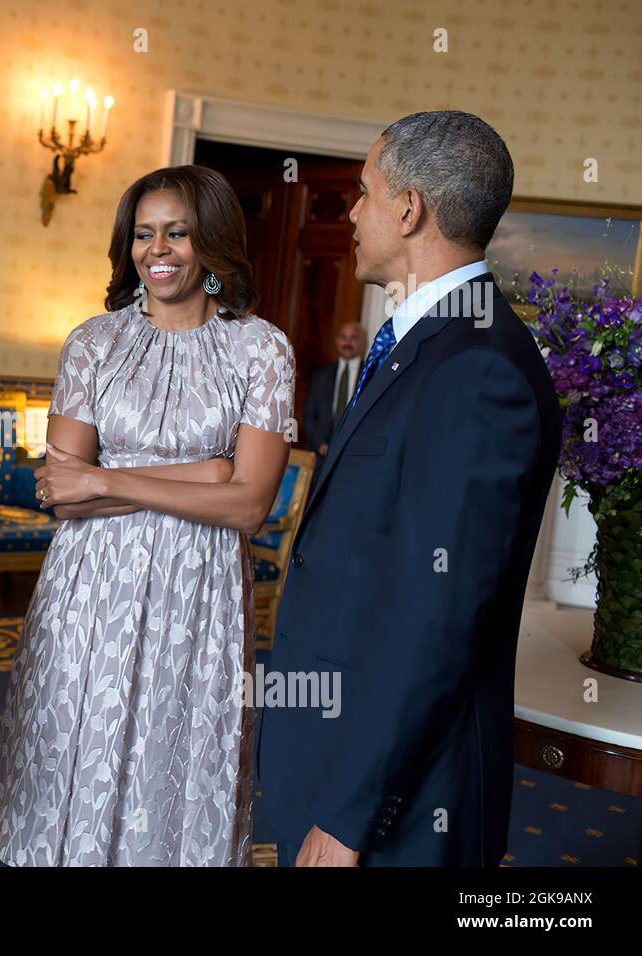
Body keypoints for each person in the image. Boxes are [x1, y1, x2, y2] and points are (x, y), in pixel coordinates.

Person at [257, 111, 562, 867]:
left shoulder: (476, 367)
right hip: (343, 756)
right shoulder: (422, 344)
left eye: (363, 192)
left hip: (402, 804)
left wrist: (354, 814)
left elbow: (437, 616)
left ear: (410, 208)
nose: (353, 213)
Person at [0, 166, 295, 866]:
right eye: (144, 233)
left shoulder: (261, 349)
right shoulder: (94, 343)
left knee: (173, 752)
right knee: (75, 747)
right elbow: (60, 491)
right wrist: (203, 473)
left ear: (211, 240)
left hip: (199, 591)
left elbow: (247, 505)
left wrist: (104, 478)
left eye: (178, 232)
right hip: (90, 582)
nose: (159, 249)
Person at [302, 320, 366, 457]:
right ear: (336, 341)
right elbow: (309, 417)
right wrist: (321, 445)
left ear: (363, 342)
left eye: (353, 338)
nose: (347, 343)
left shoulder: (370, 375)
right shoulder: (321, 375)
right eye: (343, 337)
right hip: (320, 455)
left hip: (354, 455)